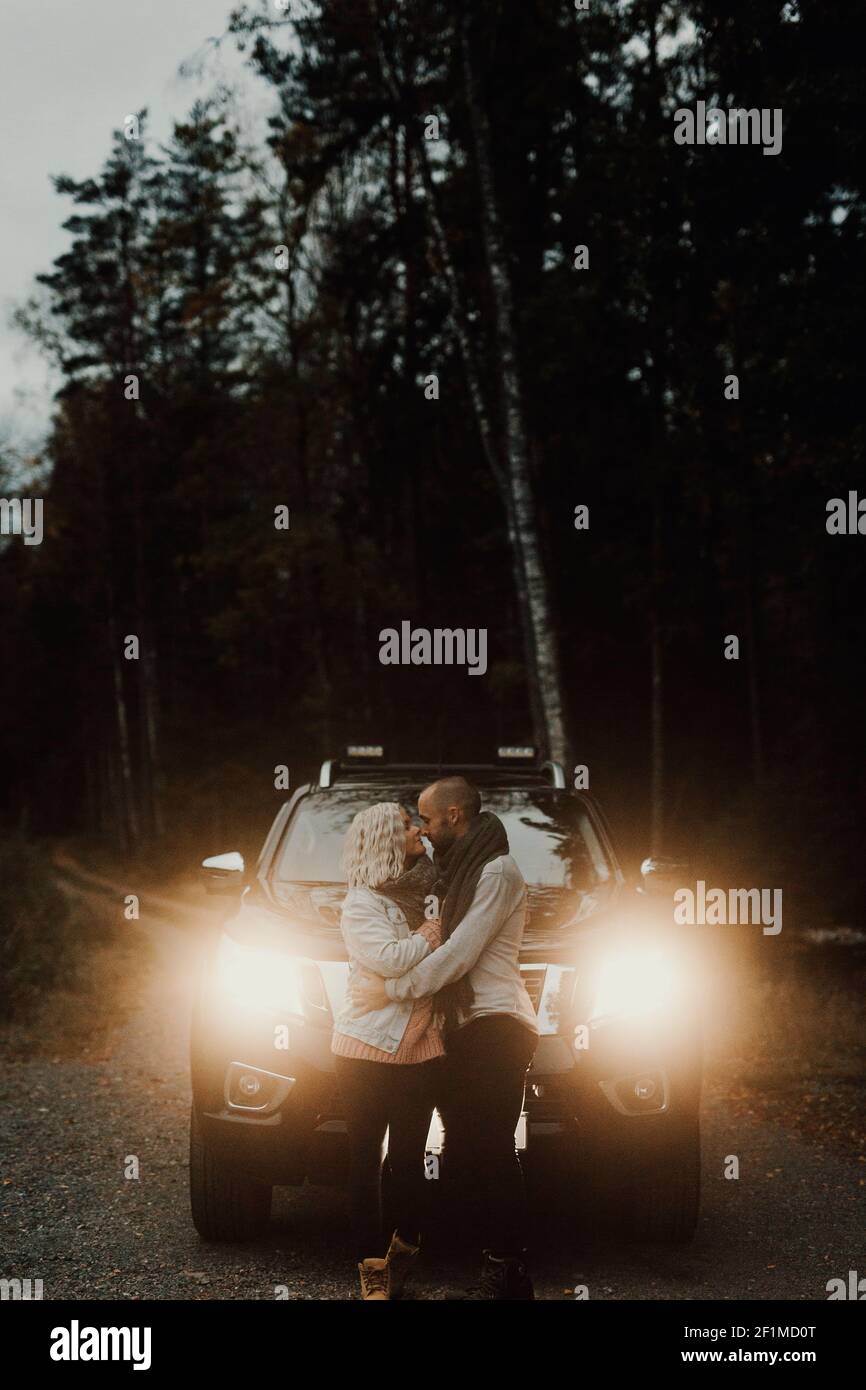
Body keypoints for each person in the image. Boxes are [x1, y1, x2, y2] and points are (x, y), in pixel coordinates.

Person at [351, 776, 539, 1300]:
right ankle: (481, 1261)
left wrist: (391, 989)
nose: (425, 832)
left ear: (454, 816)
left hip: (496, 1025)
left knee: (493, 1149)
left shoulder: (496, 871)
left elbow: (459, 953)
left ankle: (509, 1270)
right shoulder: (458, 870)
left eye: (428, 820)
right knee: (468, 1151)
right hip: (461, 1028)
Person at [331, 801, 444, 1301]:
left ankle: (405, 1250)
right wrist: (433, 933)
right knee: (364, 1158)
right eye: (405, 825)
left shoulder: (430, 890)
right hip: (366, 1048)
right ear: (384, 838)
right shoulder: (362, 903)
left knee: (409, 1159)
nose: (418, 829)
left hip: (421, 1047)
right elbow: (388, 959)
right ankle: (371, 1268)